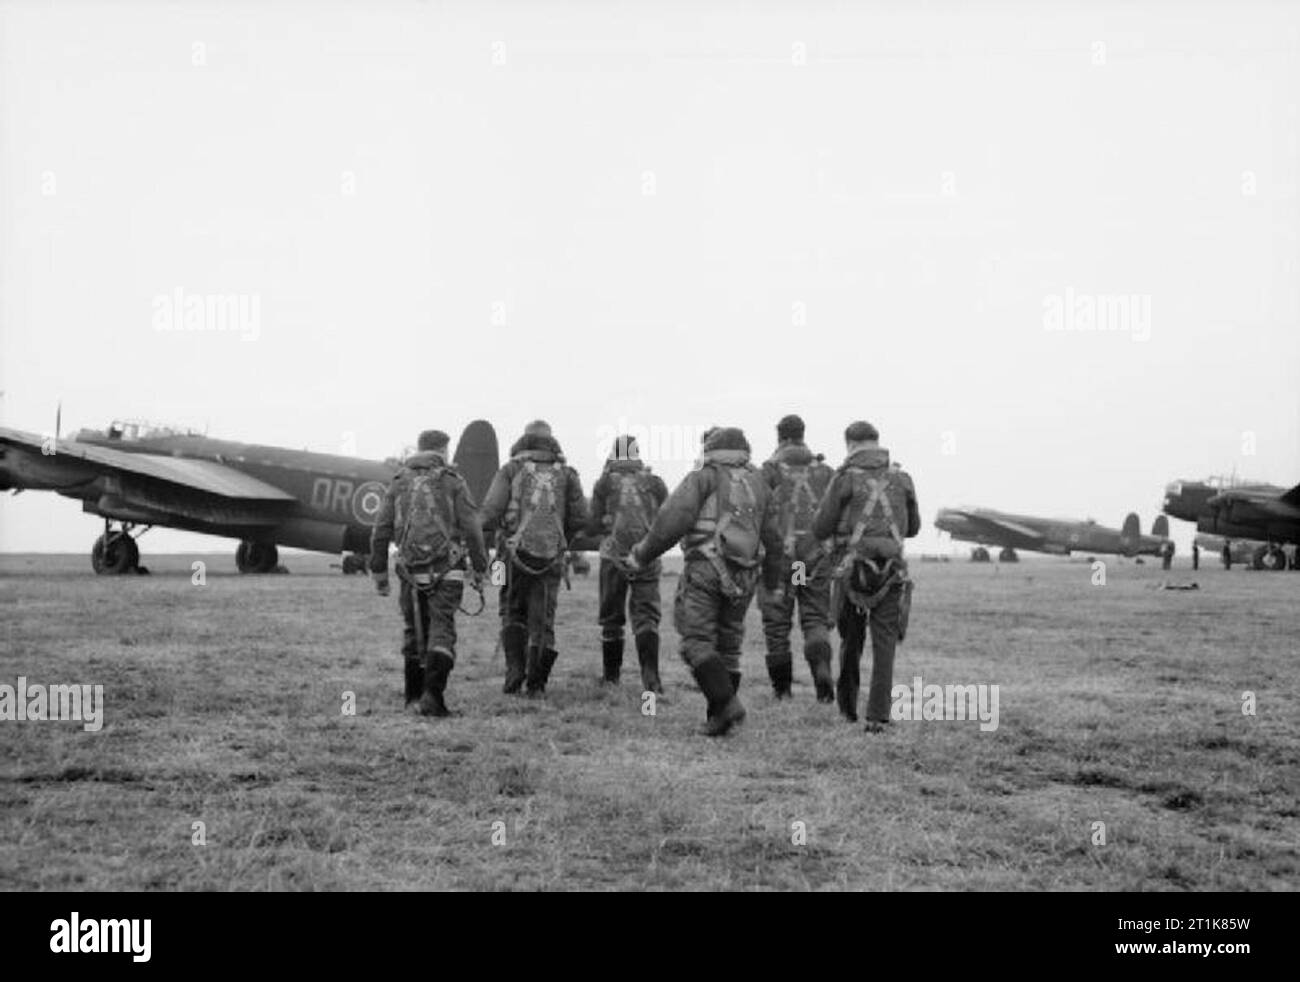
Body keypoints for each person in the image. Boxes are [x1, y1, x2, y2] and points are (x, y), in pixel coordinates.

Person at [627, 426, 784, 736]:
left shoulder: (703, 475)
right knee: (729, 646)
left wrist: (641, 555)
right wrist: (774, 582)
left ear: (711, 449)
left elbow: (672, 520)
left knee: (695, 641)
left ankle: (727, 703)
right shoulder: (759, 483)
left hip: (706, 570)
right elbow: (774, 539)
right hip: (746, 573)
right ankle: (718, 719)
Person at [370, 429, 488, 716]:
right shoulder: (453, 480)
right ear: (443, 451)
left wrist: (379, 572)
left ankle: (412, 698)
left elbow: (381, 529)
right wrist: (480, 567)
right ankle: (433, 698)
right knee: (441, 631)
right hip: (447, 570)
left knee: (414, 631)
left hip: (410, 571)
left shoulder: (398, 482)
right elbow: (472, 528)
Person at [811, 421, 920, 733]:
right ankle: (878, 716)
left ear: (849, 445)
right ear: (877, 442)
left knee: (852, 641)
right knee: (884, 644)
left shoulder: (844, 478)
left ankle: (847, 709)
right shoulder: (903, 478)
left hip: (852, 572)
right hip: (891, 571)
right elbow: (913, 528)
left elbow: (820, 527)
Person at [481, 420, 588, 696]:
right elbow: (581, 518)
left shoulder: (510, 469)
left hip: (510, 556)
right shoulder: (567, 474)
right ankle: (537, 685)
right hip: (551, 558)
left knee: (510, 609)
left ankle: (514, 671)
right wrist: (561, 539)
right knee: (543, 620)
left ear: (523, 441)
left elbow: (490, 513)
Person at [758, 414, 836, 701]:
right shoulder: (826, 472)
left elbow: (756, 515)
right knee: (814, 619)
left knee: (777, 625)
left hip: (780, 561)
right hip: (811, 560)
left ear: (779, 437)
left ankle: (783, 692)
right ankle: (822, 676)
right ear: (803, 435)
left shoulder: (767, 471)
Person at [585, 434, 669, 691]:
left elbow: (591, 525)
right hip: (646, 557)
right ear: (637, 454)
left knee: (611, 619)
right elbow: (667, 518)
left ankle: (611, 678)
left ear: (613, 453)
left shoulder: (604, 484)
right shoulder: (654, 482)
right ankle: (651, 680)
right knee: (646, 618)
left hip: (613, 557)